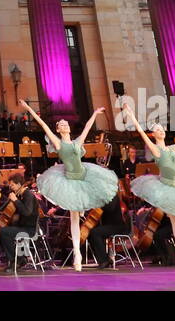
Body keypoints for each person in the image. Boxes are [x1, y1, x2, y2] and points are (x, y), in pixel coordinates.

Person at [20, 100, 117, 270]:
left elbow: (87, 127)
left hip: (85, 178)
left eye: (66, 124)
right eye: (61, 124)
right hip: (70, 181)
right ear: (58, 129)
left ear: (69, 128)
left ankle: (106, 251)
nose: (65, 125)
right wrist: (28, 109)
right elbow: (43, 124)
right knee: (73, 218)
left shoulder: (78, 142)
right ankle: (77, 255)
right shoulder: (58, 143)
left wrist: (94, 113)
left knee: (91, 210)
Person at [118, 98, 175, 277]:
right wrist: (130, 114)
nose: (160, 131)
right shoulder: (155, 149)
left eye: (161, 129)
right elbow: (140, 131)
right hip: (166, 187)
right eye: (157, 130)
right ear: (154, 134)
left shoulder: (171, 148)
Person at [0, 174, 40, 269]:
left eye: (12, 185)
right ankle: (19, 259)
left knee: (4, 232)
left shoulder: (28, 195)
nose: (10, 187)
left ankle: (16, 260)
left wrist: (16, 201)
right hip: (23, 227)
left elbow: (27, 212)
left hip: (29, 229)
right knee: (0, 232)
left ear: (19, 184)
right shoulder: (21, 195)